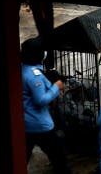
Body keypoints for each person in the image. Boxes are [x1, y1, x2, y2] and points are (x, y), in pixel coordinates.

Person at [21, 37, 70, 174]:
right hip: (40, 124)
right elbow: (41, 99)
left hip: (26, 123)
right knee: (59, 159)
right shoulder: (33, 75)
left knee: (22, 157)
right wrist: (56, 87)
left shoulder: (23, 69)